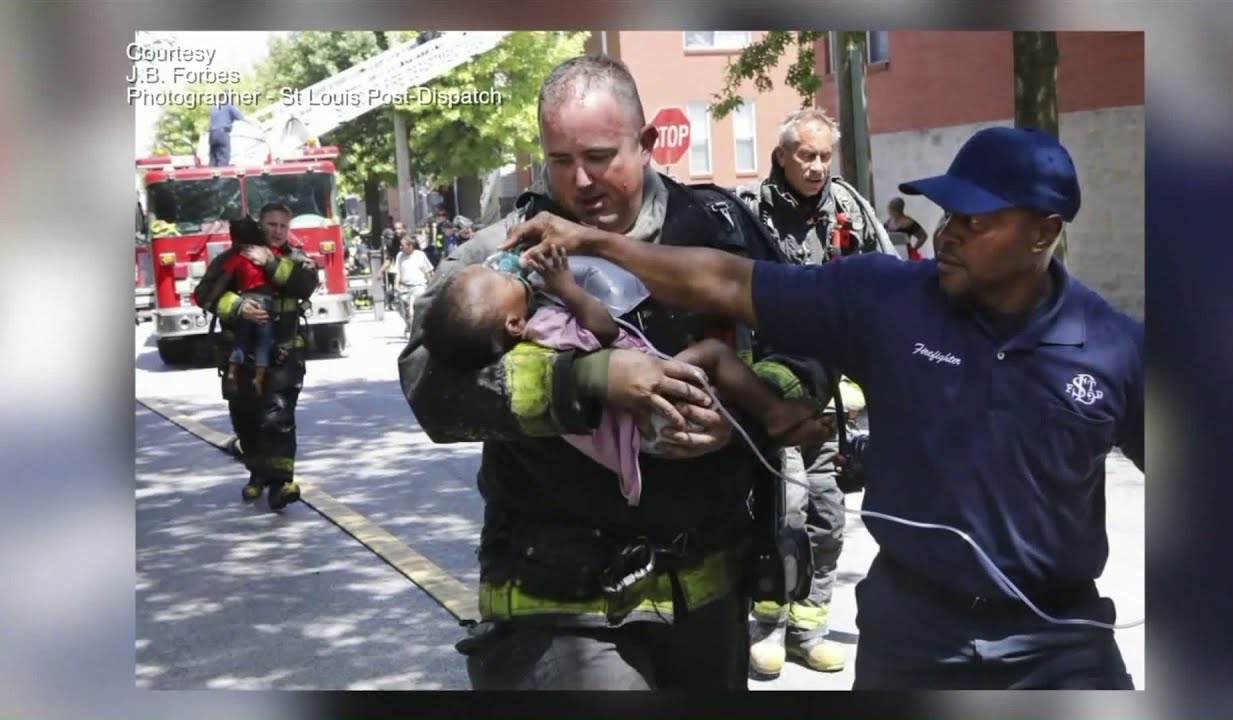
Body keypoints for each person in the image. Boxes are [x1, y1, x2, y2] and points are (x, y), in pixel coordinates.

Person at [502, 125, 1144, 690]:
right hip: (911, 637)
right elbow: (725, 279)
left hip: (1057, 641)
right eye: (947, 215)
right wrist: (598, 244)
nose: (947, 234)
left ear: (1044, 233)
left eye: (974, 222)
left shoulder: (1117, 349)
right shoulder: (887, 297)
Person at [398, 55, 830, 690]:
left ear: (647, 142)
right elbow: (431, 388)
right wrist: (587, 381)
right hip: (559, 606)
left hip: (707, 601)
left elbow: (810, 344)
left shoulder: (724, 234)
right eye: (561, 161)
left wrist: (741, 411)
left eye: (600, 157)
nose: (581, 182)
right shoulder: (498, 259)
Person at [421, 245, 835, 506]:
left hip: (646, 438)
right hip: (646, 420)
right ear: (512, 324)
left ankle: (768, 418)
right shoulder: (542, 327)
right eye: (500, 278)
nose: (506, 267)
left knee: (715, 393)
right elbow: (604, 330)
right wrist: (566, 288)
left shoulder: (525, 337)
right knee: (713, 354)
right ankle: (775, 412)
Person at [736, 108, 897, 677]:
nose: (817, 166)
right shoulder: (747, 217)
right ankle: (768, 627)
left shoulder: (850, 211)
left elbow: (890, 286)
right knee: (783, 514)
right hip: (771, 399)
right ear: (781, 156)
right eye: (805, 154)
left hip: (832, 400)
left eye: (825, 155)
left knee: (827, 515)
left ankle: (810, 626)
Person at [202, 203, 320, 512]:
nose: (277, 231)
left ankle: (282, 484)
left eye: (283, 225)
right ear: (261, 224)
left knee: (278, 416)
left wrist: (271, 263)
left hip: (284, 353)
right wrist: (238, 307)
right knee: (247, 418)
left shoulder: (297, 260)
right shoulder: (234, 258)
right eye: (271, 224)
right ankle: (258, 472)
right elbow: (205, 294)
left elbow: (305, 286)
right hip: (241, 356)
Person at [221, 216, 284, 396]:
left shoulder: (235, 257)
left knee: (240, 341)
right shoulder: (268, 252)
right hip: (265, 303)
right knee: (264, 343)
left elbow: (219, 283)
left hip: (246, 302)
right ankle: (259, 378)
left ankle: (232, 372)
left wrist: (236, 305)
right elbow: (285, 265)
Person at [381, 234, 434, 338]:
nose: (400, 247)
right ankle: (409, 325)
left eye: (403, 245)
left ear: (410, 246)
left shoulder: (420, 255)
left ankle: (416, 332)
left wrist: (432, 285)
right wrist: (396, 285)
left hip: (418, 286)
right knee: (402, 309)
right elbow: (398, 272)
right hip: (404, 287)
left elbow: (428, 271)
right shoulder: (400, 256)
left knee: (412, 310)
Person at [208, 96, 247, 168]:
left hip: (212, 134)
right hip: (222, 133)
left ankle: (211, 176)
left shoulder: (215, 105)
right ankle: (222, 178)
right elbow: (240, 117)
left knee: (213, 158)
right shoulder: (229, 105)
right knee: (223, 157)